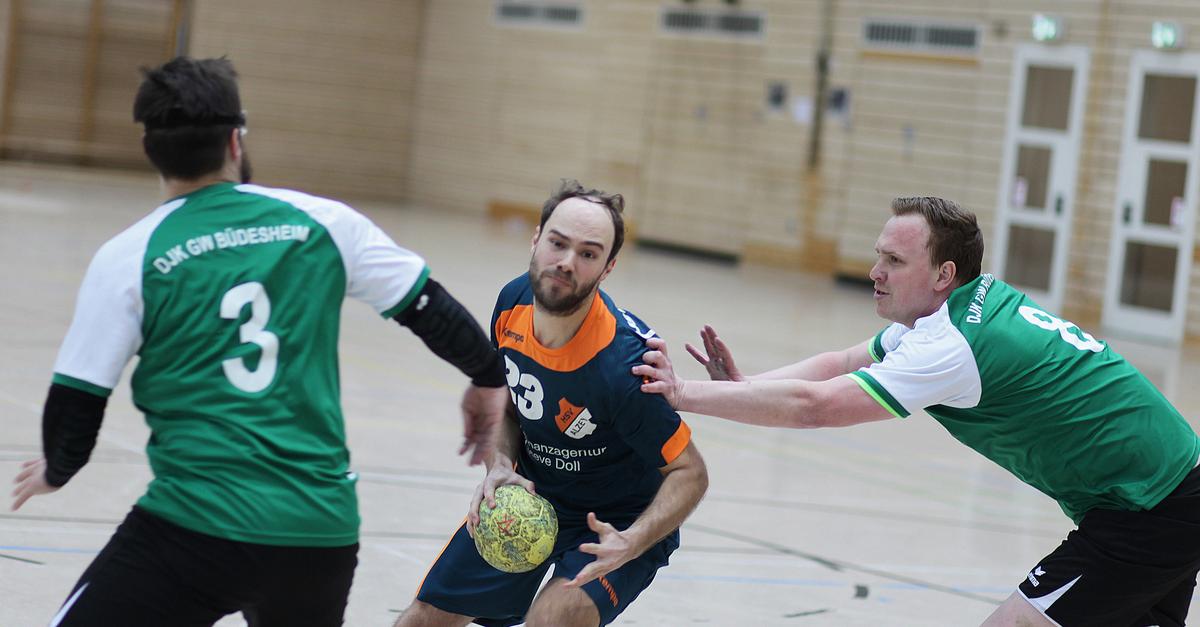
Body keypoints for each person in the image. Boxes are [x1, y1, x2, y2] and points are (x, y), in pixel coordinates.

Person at [9, 56, 509, 627]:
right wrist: (488, 378)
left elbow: (76, 408)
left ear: (150, 149)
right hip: (319, 535)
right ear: (235, 140)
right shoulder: (325, 223)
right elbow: (431, 309)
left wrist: (58, 470)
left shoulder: (131, 255)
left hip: (194, 528)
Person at [634, 196, 1200, 627]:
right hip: (1162, 486)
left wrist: (683, 394)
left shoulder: (952, 345)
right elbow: (840, 361)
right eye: (879, 255)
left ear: (942, 275)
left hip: (1150, 507)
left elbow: (818, 406)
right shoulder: (960, 312)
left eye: (894, 260)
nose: (875, 271)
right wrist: (744, 387)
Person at [394, 181, 709, 627]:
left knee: (551, 618)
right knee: (422, 619)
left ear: (608, 267)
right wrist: (500, 464)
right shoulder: (511, 304)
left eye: (588, 253)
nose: (565, 263)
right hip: (533, 497)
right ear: (536, 237)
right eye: (558, 243)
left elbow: (690, 473)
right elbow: (506, 401)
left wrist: (632, 541)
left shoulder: (624, 369)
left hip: (615, 522)